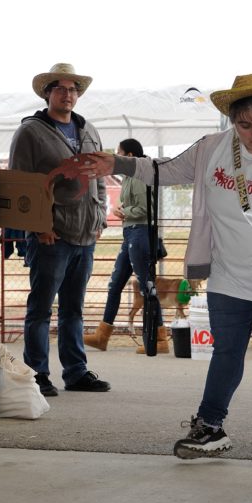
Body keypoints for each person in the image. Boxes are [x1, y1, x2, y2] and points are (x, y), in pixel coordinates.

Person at [69, 73, 252, 458]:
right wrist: (117, 162)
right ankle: (210, 425)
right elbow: (165, 169)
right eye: (245, 125)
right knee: (226, 352)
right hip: (228, 276)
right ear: (232, 122)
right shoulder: (210, 149)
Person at [8, 63, 110, 396]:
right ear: (47, 93)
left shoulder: (88, 130)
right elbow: (21, 184)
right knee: (40, 308)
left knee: (73, 308)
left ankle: (76, 372)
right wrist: (38, 226)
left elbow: (98, 176)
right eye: (61, 89)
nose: (68, 95)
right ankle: (37, 373)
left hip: (85, 233)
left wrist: (100, 217)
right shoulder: (31, 132)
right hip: (51, 235)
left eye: (73, 89)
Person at [83, 138, 168, 354]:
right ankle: (102, 335)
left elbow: (145, 208)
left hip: (139, 233)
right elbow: (135, 205)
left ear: (129, 156)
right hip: (131, 233)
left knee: (146, 285)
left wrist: (124, 212)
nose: (116, 157)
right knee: (116, 284)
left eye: (119, 153)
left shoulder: (138, 176)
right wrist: (124, 210)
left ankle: (160, 338)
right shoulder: (130, 176)